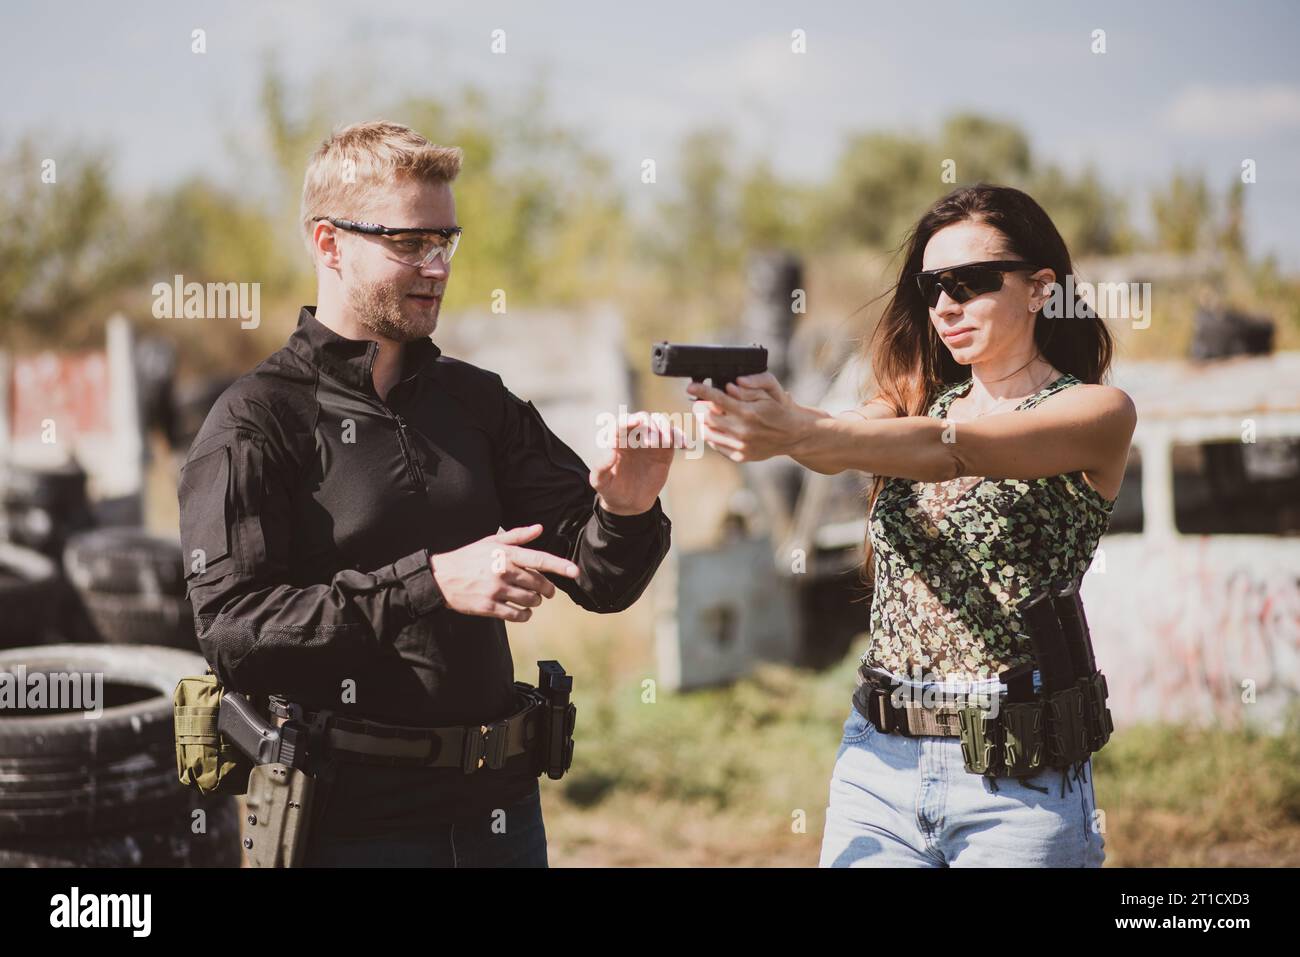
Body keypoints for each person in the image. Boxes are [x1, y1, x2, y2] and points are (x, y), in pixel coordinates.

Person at [178, 121, 677, 867]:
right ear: (328, 244)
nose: (436, 266)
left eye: (446, 241)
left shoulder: (478, 402)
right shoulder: (255, 421)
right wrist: (433, 580)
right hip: (351, 828)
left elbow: (599, 578)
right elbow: (236, 632)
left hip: (501, 816)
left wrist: (627, 509)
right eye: (409, 243)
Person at [685, 184, 1135, 867]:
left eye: (973, 281)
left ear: (1042, 287)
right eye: (932, 287)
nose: (946, 304)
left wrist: (799, 428)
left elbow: (953, 446)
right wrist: (768, 420)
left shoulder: (1095, 411)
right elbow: (831, 443)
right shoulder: (911, 402)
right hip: (880, 763)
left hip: (1016, 775)